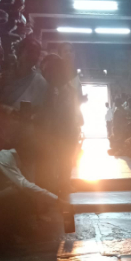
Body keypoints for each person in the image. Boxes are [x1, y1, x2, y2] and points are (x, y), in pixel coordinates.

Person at [0, 140, 65, 241]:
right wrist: (56, 200)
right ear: (25, 152)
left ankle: (14, 227)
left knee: (25, 193)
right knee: (20, 192)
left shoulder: (17, 160)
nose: (33, 161)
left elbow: (30, 184)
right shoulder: (5, 159)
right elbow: (25, 186)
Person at [37, 54, 80, 197]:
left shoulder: (69, 90)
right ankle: (51, 189)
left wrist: (74, 130)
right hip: (46, 132)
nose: (49, 73)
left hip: (66, 131)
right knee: (48, 163)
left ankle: (64, 184)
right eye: (46, 70)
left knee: (66, 159)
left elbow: (72, 112)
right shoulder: (42, 87)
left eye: (52, 69)